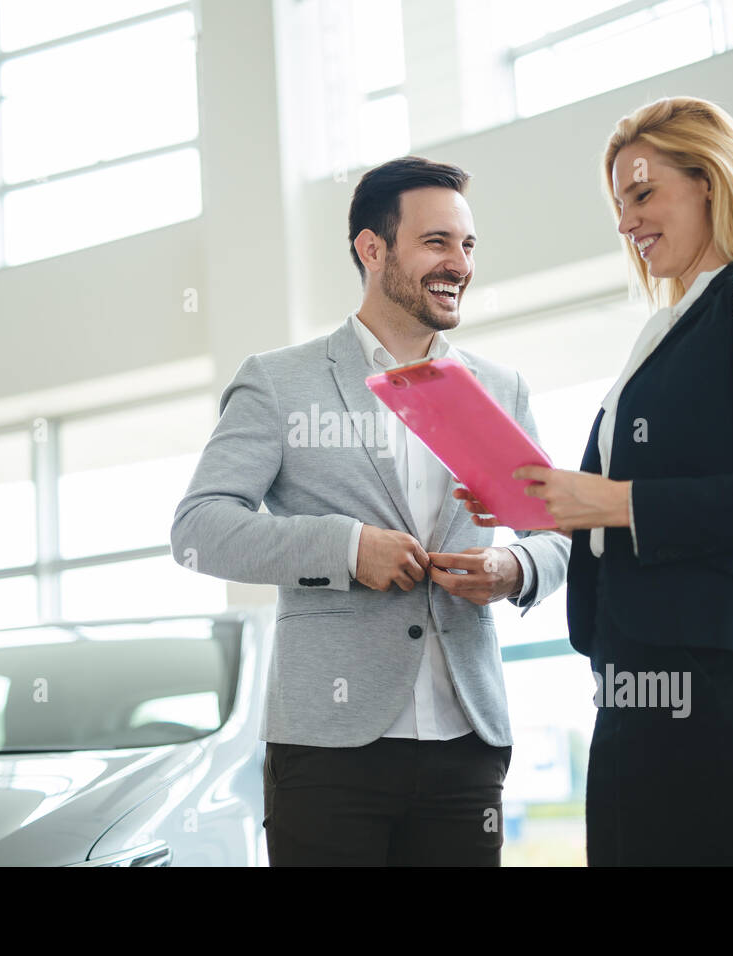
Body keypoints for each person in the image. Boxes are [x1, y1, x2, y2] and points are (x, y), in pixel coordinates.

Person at [455, 97, 733, 865]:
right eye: (618, 206)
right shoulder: (665, 328)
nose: (626, 223)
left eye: (642, 194)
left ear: (709, 182)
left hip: (717, 676)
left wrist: (618, 502)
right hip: (632, 672)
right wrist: (544, 506)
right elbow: (628, 504)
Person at [171, 156, 571, 866]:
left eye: (468, 245)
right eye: (437, 243)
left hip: (466, 746)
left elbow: (554, 534)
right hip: (329, 753)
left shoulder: (500, 388)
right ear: (372, 248)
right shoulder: (280, 382)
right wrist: (348, 548)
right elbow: (200, 528)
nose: (459, 264)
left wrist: (511, 566)